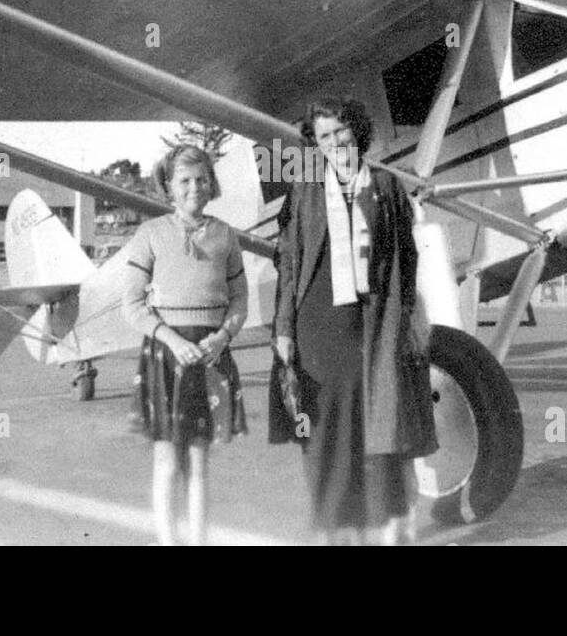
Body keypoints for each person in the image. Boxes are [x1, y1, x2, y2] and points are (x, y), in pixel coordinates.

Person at [268, 98, 436, 545]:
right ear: (315, 144)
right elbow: (287, 263)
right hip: (320, 324)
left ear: (356, 132)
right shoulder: (304, 189)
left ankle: (388, 536)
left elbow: (408, 260)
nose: (335, 141)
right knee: (326, 439)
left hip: (376, 325)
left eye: (341, 131)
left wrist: (411, 317)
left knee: (382, 432)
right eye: (324, 136)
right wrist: (283, 328)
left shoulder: (386, 185)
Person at [119, 144, 248, 545]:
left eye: (202, 179)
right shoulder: (151, 234)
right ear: (169, 188)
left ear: (212, 185)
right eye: (185, 181)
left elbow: (240, 299)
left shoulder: (226, 235)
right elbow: (132, 305)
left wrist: (223, 337)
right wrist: (173, 340)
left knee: (198, 460)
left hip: (211, 354)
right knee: (167, 460)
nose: (195, 187)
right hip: (166, 355)